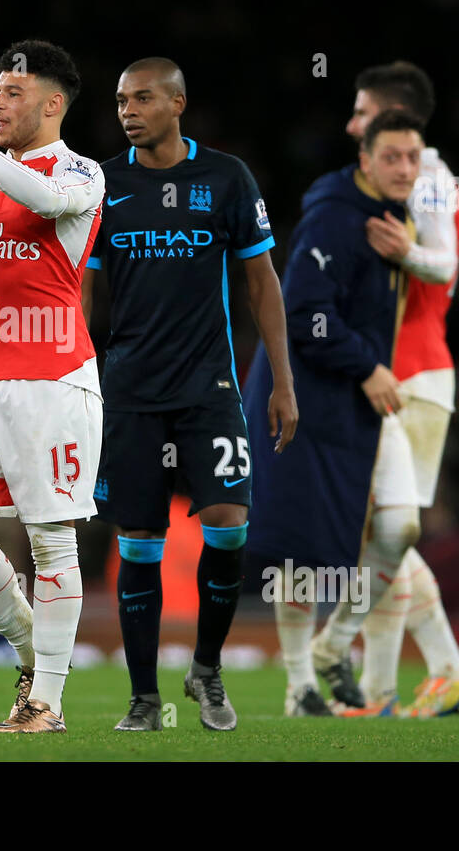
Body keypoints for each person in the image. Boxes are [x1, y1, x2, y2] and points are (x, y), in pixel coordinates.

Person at [81, 58, 297, 731]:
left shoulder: (226, 178)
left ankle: (206, 666)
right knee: (139, 540)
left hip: (210, 386)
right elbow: (85, 291)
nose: (128, 111)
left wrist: (282, 382)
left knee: (230, 523)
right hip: (131, 389)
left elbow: (262, 282)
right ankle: (144, 698)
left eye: (143, 98)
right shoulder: (102, 185)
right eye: (121, 100)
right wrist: (77, 374)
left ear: (178, 103)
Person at [0, 40, 104, 733]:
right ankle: (39, 651)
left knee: (50, 538)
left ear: (52, 102)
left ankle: (48, 704)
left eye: (12, 92)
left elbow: (35, 194)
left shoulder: (81, 172)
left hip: (56, 380)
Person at [244, 109, 425, 716]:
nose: (404, 168)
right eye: (392, 157)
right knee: (299, 547)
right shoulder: (332, 218)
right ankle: (299, 686)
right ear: (366, 160)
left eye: (413, 158)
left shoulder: (396, 218)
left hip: (353, 397)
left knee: (399, 528)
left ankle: (334, 643)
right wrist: (369, 367)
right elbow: (301, 313)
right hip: (301, 394)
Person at [332, 61, 459, 719]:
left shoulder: (427, 178)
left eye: (361, 111)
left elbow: (444, 263)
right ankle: (391, 687)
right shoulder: (399, 178)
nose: (350, 123)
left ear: (395, 114)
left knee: (387, 534)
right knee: (383, 538)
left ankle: (432, 673)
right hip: (404, 375)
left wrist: (404, 255)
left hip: (415, 376)